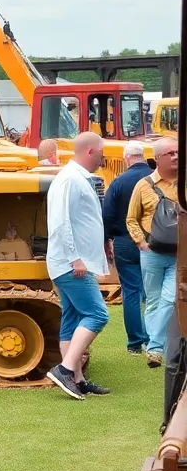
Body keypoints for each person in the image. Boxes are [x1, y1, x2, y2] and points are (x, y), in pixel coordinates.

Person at [44, 132, 111, 399]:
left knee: (71, 318)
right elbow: (61, 221)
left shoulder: (76, 178)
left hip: (71, 262)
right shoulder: (70, 179)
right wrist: (75, 258)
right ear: (91, 152)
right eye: (102, 153)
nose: (104, 158)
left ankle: (77, 379)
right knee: (97, 314)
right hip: (70, 264)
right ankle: (65, 368)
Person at [126, 135, 179, 368]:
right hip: (152, 253)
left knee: (170, 299)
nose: (176, 156)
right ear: (158, 159)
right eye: (170, 153)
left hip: (179, 255)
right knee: (155, 301)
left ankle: (155, 348)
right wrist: (141, 243)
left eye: (178, 152)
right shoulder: (144, 185)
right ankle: (157, 348)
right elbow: (131, 219)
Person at [101, 141, 152, 354]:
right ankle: (155, 341)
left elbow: (107, 216)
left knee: (131, 292)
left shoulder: (117, 183)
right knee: (154, 294)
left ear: (126, 158)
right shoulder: (156, 179)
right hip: (155, 242)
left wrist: (107, 240)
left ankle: (134, 343)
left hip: (124, 240)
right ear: (143, 156)